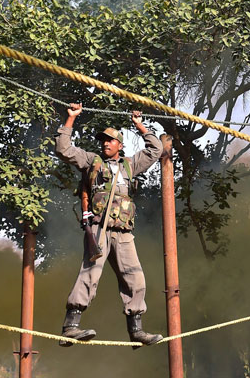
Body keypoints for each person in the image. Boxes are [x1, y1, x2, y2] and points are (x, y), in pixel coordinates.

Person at [56, 102, 163, 347]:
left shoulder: (130, 165)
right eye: (103, 140)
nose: (105, 143)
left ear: (120, 145)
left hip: (123, 233)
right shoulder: (92, 161)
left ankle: (136, 331)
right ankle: (71, 326)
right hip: (99, 229)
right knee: (90, 274)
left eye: (110, 140)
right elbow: (63, 148)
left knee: (135, 278)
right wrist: (71, 118)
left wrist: (139, 125)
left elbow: (155, 149)